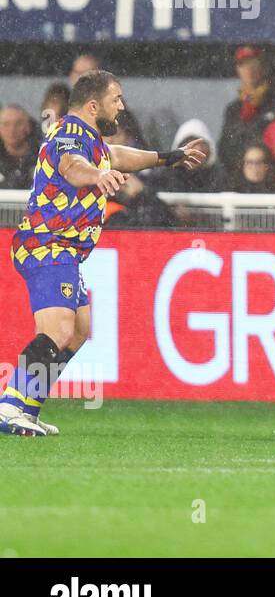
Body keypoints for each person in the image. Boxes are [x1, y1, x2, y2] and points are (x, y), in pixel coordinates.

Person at [2, 71, 206, 436]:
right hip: (48, 244)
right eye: (116, 100)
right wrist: (96, 176)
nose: (122, 106)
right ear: (94, 105)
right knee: (59, 330)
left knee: (78, 332)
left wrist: (167, 157)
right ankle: (10, 405)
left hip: (63, 249)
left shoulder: (90, 139)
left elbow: (118, 156)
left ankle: (25, 409)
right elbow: (71, 166)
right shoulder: (68, 135)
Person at [152, 118, 223, 193]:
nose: (197, 149)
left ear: (209, 151)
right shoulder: (162, 177)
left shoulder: (218, 177)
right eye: (191, 144)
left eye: (202, 145)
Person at [0, 105, 39, 189]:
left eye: (18, 124)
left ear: (28, 127)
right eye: (6, 124)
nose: (12, 129)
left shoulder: (43, 157)